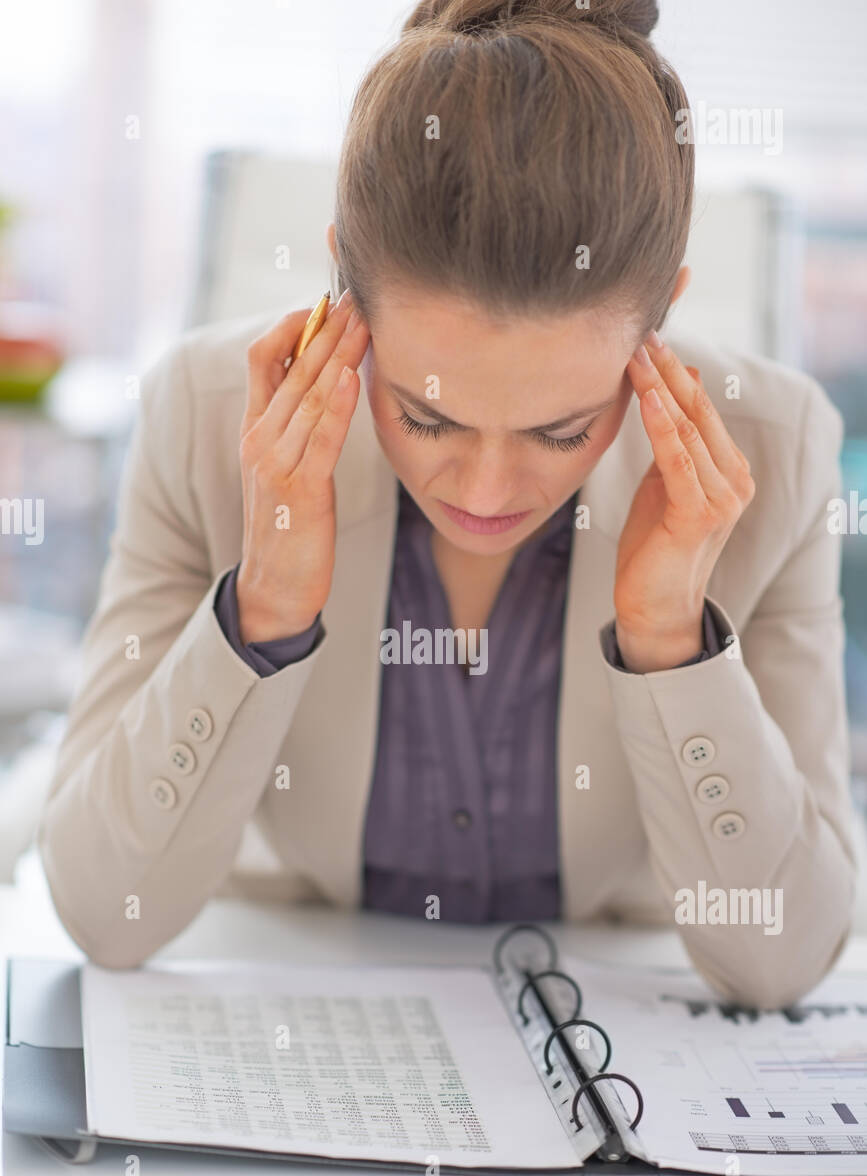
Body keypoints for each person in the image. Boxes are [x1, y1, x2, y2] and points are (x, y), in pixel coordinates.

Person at [37, 0, 856, 1007]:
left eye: (562, 430)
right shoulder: (203, 423)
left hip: (615, 1025)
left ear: (663, 315)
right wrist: (266, 609)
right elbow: (103, 916)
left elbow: (780, 965)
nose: (483, 492)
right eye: (427, 418)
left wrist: (668, 639)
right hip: (304, 1004)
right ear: (346, 297)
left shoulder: (778, 449)